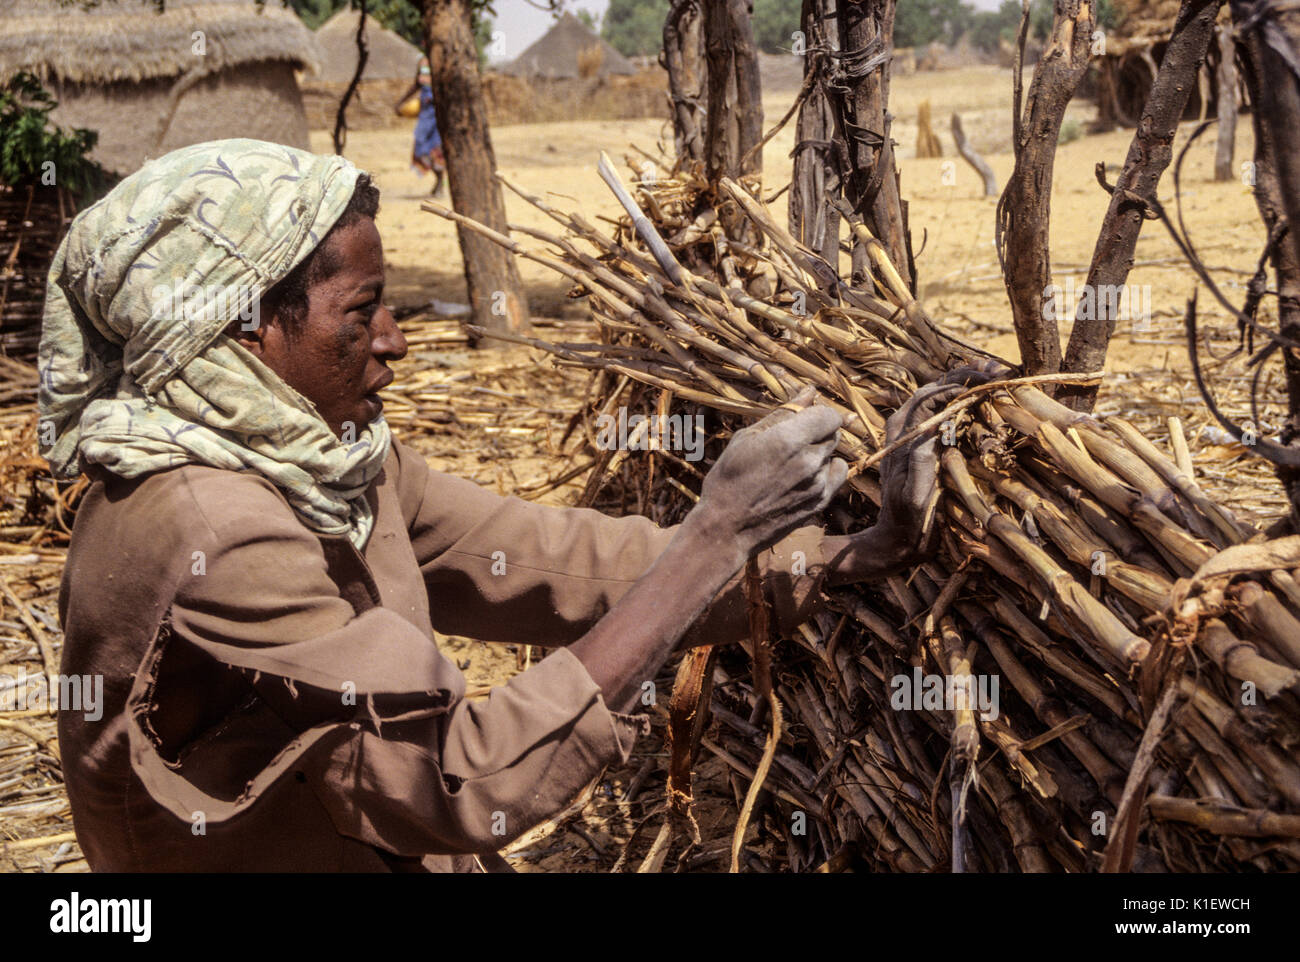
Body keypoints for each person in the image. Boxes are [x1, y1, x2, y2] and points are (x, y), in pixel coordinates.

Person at [39, 139, 988, 872]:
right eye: (361, 311)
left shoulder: (324, 461)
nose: (396, 341)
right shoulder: (215, 524)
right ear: (244, 327)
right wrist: (716, 532)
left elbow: (554, 559)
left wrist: (849, 552)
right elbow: (463, 781)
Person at [396, 56, 446, 197]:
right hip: (425, 115)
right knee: (420, 145)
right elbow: (417, 85)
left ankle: (440, 182)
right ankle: (438, 179)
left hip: (438, 114)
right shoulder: (423, 63)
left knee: (436, 148)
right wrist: (401, 102)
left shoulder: (441, 61)